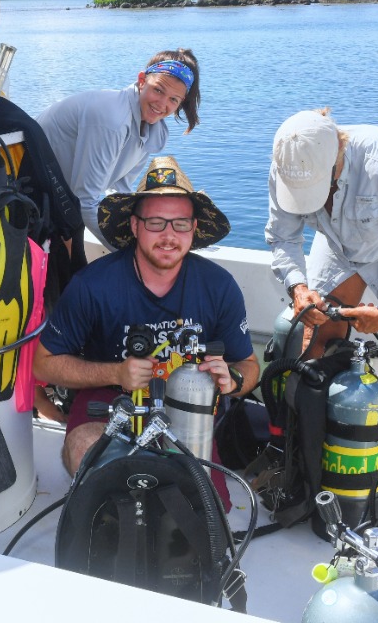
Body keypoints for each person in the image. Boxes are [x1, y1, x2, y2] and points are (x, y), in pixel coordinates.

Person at [33, 156, 259, 477]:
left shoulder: (218, 285)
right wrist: (117, 373)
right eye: (155, 222)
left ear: (194, 229)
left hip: (190, 410)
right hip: (111, 400)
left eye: (180, 223)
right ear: (136, 225)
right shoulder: (93, 285)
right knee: (86, 451)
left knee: (199, 504)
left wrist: (232, 380)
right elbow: (43, 363)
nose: (169, 235)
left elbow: (249, 365)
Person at [264, 109, 378, 422]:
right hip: (337, 244)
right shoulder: (287, 162)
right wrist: (298, 287)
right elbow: (283, 238)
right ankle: (311, 455)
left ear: (340, 149)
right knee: (314, 346)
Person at [36, 48, 200, 251]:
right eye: (158, 90)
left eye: (173, 100)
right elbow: (86, 199)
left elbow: (119, 188)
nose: (162, 104)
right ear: (142, 80)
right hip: (34, 193)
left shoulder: (151, 128)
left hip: (62, 200)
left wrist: (141, 233)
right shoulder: (112, 120)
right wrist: (132, 253)